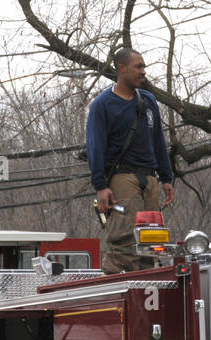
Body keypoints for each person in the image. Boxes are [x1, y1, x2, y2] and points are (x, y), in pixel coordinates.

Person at [86, 49, 175, 274]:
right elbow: (95, 147)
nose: (143, 72)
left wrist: (166, 177)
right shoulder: (103, 105)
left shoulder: (148, 101)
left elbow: (158, 140)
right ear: (122, 69)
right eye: (138, 67)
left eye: (144, 67)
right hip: (122, 178)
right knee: (125, 241)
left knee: (150, 245)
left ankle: (145, 293)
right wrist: (100, 186)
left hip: (150, 178)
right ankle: (118, 293)